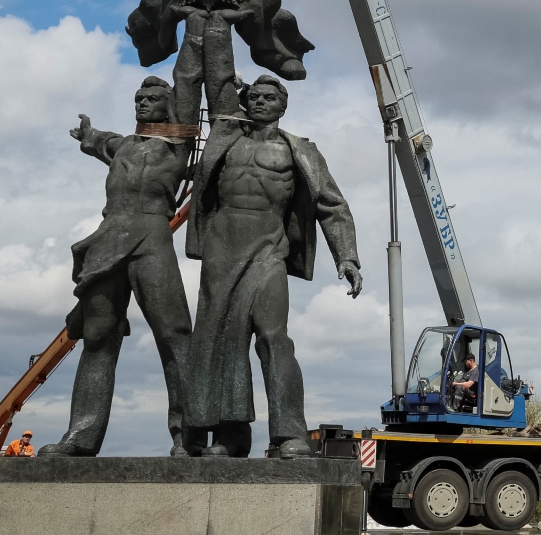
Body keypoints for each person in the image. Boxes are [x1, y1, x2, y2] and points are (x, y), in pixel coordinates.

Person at [185, 72, 362, 459]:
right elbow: (212, 83)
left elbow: (332, 204)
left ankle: (290, 434)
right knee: (223, 345)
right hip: (222, 252)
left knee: (273, 338)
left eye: (270, 97)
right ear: (245, 102)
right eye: (255, 96)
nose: (261, 102)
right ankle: (232, 438)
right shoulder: (225, 141)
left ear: (283, 106)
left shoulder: (298, 150)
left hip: (268, 251)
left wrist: (346, 255)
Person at [40, 66, 199, 459]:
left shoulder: (179, 147)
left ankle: (188, 436)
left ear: (171, 107)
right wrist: (88, 133)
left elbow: (189, 81)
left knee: (174, 333)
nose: (143, 103)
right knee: (98, 336)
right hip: (110, 235)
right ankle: (81, 436)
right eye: (138, 100)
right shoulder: (123, 146)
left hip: (151, 236)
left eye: (152, 99)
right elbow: (100, 140)